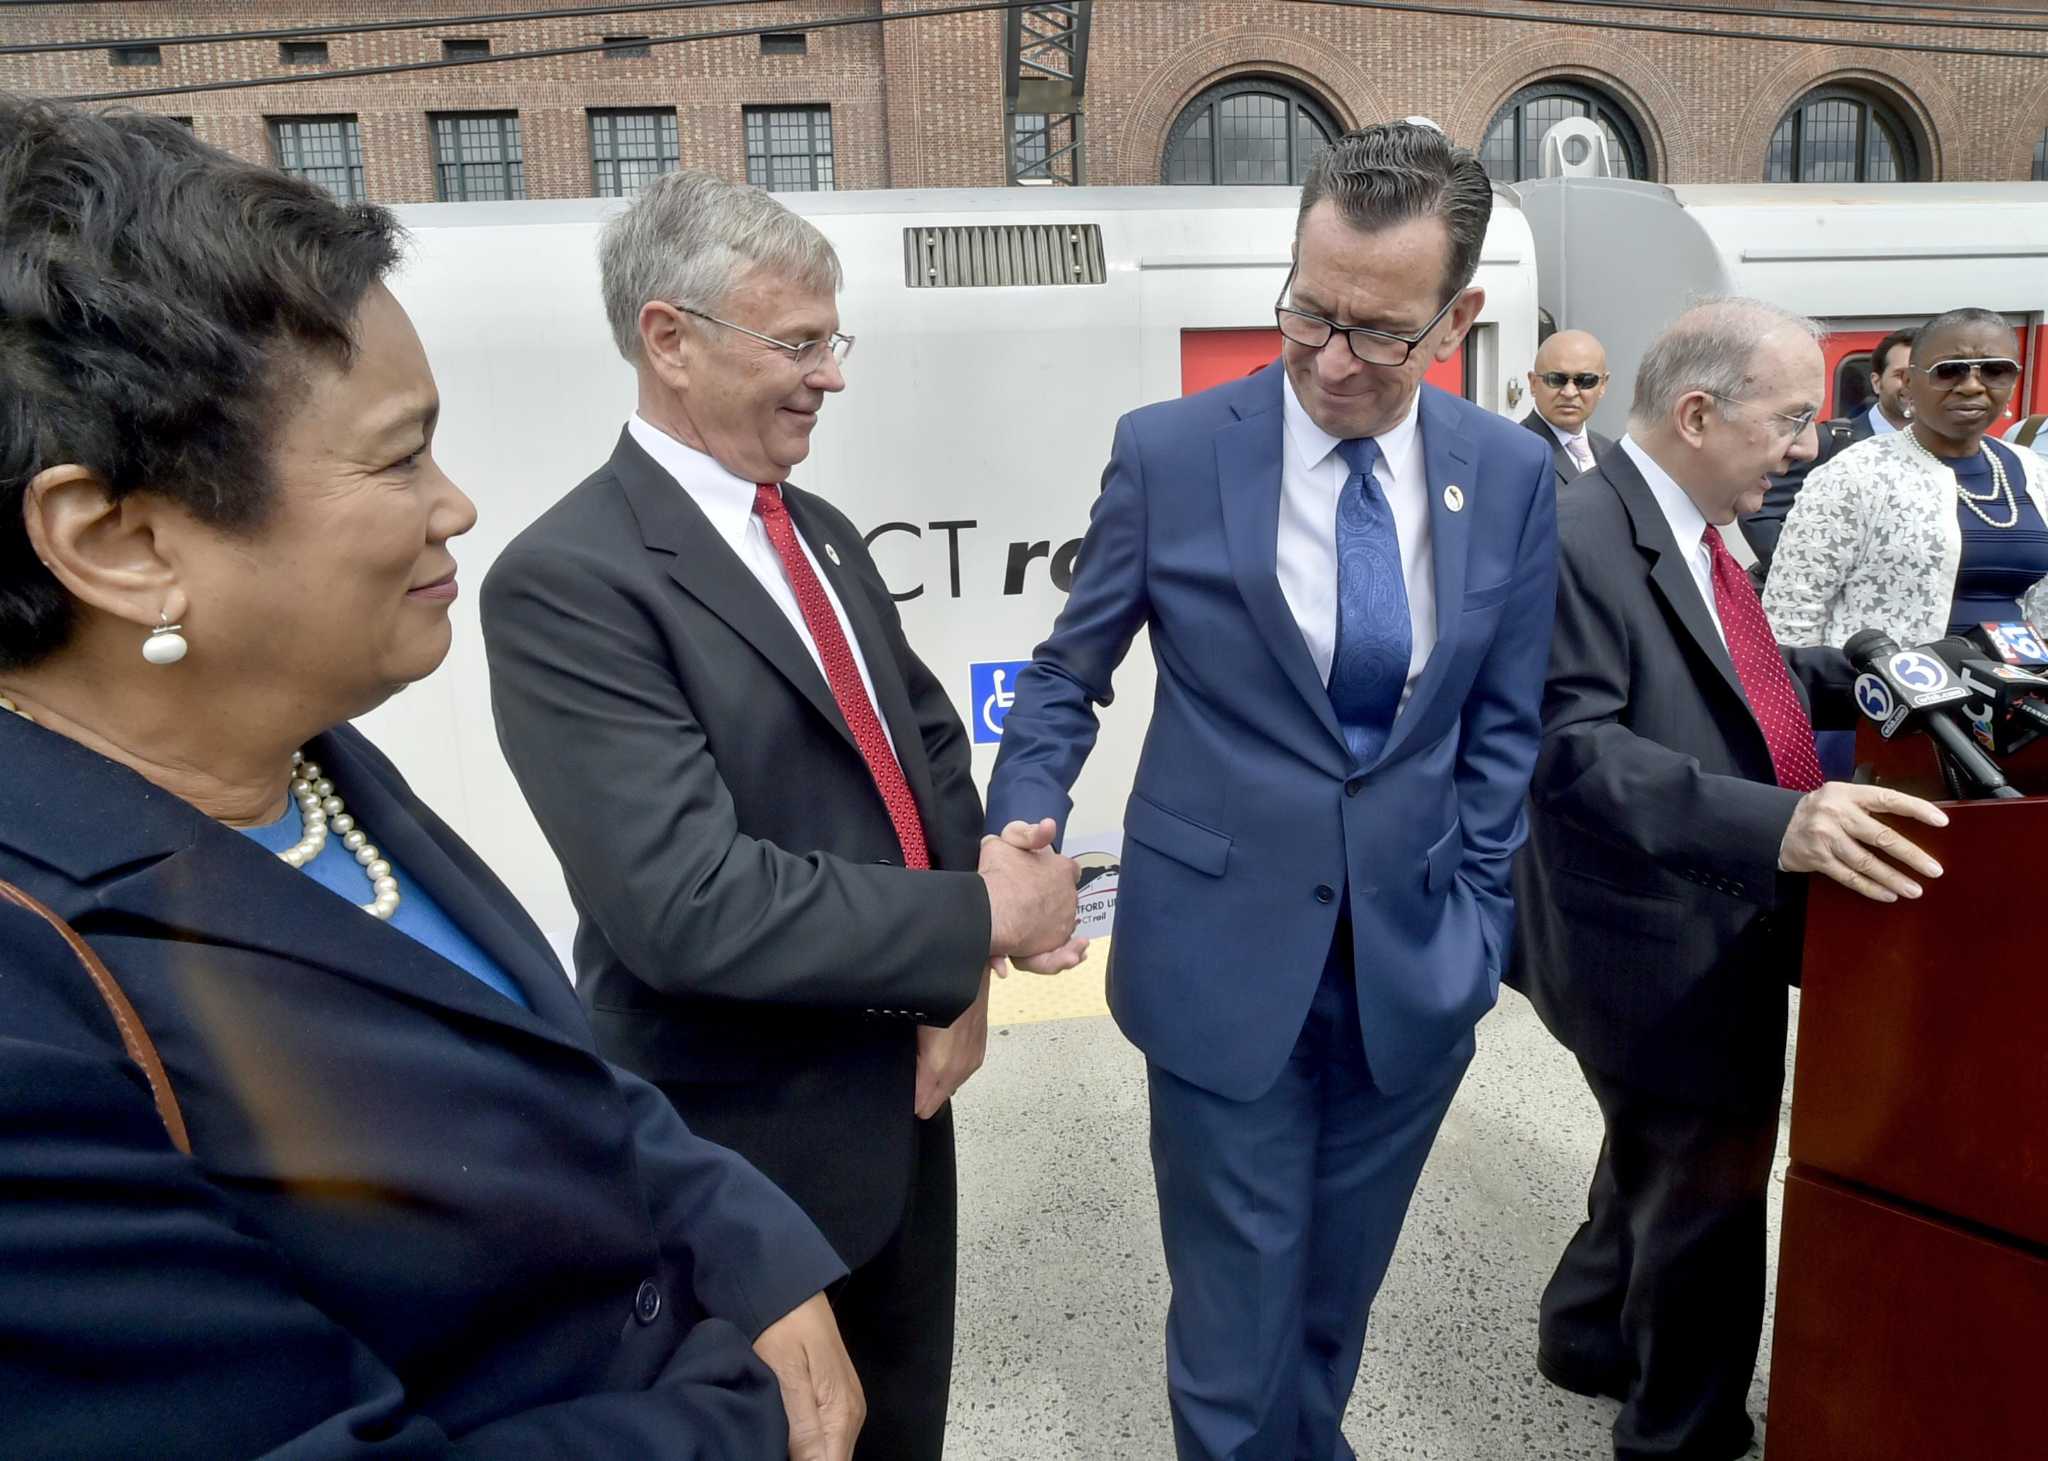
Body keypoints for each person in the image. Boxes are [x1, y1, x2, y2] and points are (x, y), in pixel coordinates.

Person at [0, 97, 862, 1459]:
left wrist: (742, 1240)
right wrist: (734, 1413)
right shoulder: (31, 1004)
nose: (455, 502)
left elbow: (559, 1070)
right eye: (399, 453)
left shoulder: (302, 755)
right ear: (116, 540)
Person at [479, 169, 1082, 1461]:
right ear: (669, 339)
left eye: (832, 340)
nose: (831, 376)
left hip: (905, 1115)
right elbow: (685, 904)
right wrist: (982, 911)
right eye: (798, 344)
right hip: (742, 1161)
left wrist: (963, 958)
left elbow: (921, 742)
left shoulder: (818, 529)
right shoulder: (570, 582)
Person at [985, 123, 1558, 1461]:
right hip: (1219, 964)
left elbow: (1502, 721)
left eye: (1381, 332)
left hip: (1415, 970)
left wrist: (1476, 922)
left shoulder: (1513, 473)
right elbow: (1070, 672)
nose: (1333, 359)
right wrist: (1029, 813)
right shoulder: (1175, 452)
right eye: (1309, 311)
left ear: (1458, 317)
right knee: (1237, 1331)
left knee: (1329, 1312)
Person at [1509, 298, 1949, 1461]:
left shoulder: (1686, 522)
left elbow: (1727, 675)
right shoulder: (1578, 539)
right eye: (1790, 418)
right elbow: (1571, 750)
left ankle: (1587, 1335)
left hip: (1682, 912)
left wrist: (1872, 672)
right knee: (1706, 1192)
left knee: (1655, 1149)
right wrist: (1779, 825)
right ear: (1698, 414)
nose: (1806, 444)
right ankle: (1680, 1431)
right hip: (1655, 930)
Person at [1764, 309, 2048, 646]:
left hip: (2016, 691)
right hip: (1875, 693)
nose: (1972, 386)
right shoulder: (1855, 472)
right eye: (1949, 371)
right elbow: (1790, 614)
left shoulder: (2035, 473)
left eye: (1995, 370)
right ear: (1910, 384)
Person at [1741, 326, 1915, 576]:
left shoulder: (1947, 453)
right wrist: (1805, 575)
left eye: (1923, 376)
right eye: (1902, 375)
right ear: (1876, 383)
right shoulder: (1827, 443)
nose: (1912, 385)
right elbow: (1761, 515)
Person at [1522, 328, 1617, 485]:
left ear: (1603, 385)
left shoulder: (1611, 453)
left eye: (1585, 380)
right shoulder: (1513, 454)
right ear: (1533, 383)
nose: (1569, 392)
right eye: (1556, 379)